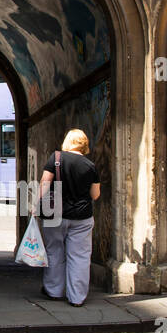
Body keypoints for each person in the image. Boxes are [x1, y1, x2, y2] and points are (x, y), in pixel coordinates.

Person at [38, 128, 101, 307]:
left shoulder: (56, 159)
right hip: (81, 217)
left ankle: (54, 291)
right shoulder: (90, 166)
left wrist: (37, 205)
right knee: (79, 256)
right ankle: (77, 297)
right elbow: (95, 195)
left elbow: (44, 183)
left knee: (54, 251)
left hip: (54, 215)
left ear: (67, 142)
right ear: (84, 144)